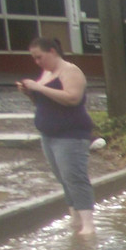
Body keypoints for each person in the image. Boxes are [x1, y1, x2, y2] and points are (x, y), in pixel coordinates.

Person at [16, 38, 96, 235]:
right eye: (34, 58)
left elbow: (72, 98)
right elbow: (45, 102)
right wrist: (29, 93)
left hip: (71, 135)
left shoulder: (70, 70)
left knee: (74, 177)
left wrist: (39, 87)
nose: (37, 62)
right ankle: (75, 218)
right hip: (49, 134)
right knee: (63, 178)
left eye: (39, 57)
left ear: (52, 51)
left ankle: (88, 224)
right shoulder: (46, 73)